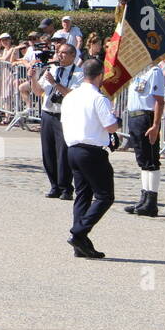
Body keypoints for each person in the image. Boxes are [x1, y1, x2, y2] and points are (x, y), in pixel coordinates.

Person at [60, 58, 120, 259]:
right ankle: (78, 232)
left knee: (83, 195)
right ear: (100, 76)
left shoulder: (71, 96)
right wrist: (117, 120)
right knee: (105, 196)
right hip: (92, 150)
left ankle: (81, 243)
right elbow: (110, 126)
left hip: (73, 148)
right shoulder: (98, 98)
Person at [122, 59, 165, 217]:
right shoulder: (137, 72)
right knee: (142, 160)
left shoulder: (155, 72)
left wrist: (155, 125)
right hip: (135, 117)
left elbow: (159, 101)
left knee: (151, 160)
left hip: (146, 117)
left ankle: (152, 201)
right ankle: (144, 197)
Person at [37, 43, 80, 200]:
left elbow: (72, 94)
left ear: (72, 56)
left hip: (64, 115)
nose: (59, 55)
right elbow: (38, 91)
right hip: (48, 112)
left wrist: (55, 83)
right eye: (58, 52)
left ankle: (66, 187)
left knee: (63, 153)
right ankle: (54, 185)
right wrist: (32, 77)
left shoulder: (78, 73)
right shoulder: (52, 70)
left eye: (63, 53)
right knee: (48, 152)